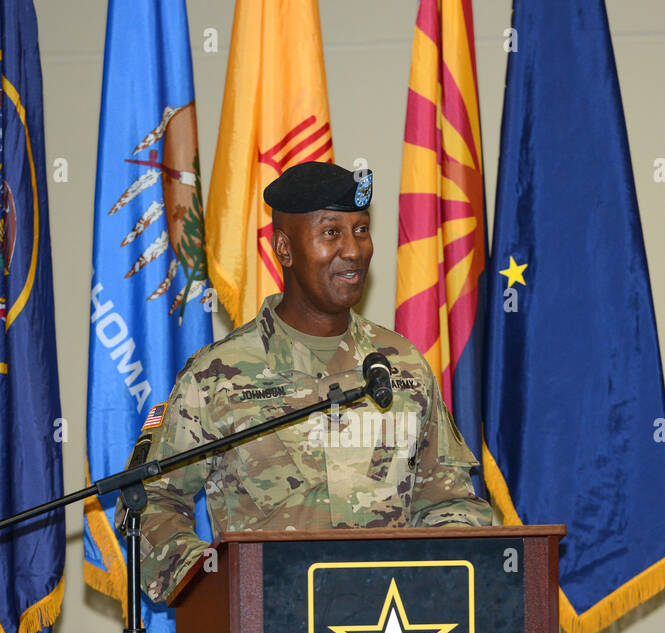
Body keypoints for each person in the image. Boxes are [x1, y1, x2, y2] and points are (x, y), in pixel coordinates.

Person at [128, 161, 491, 603]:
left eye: (361, 230)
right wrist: (212, 590)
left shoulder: (401, 367)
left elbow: (448, 501)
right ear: (284, 247)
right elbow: (152, 503)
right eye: (332, 233)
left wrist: (434, 586)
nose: (354, 250)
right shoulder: (215, 377)